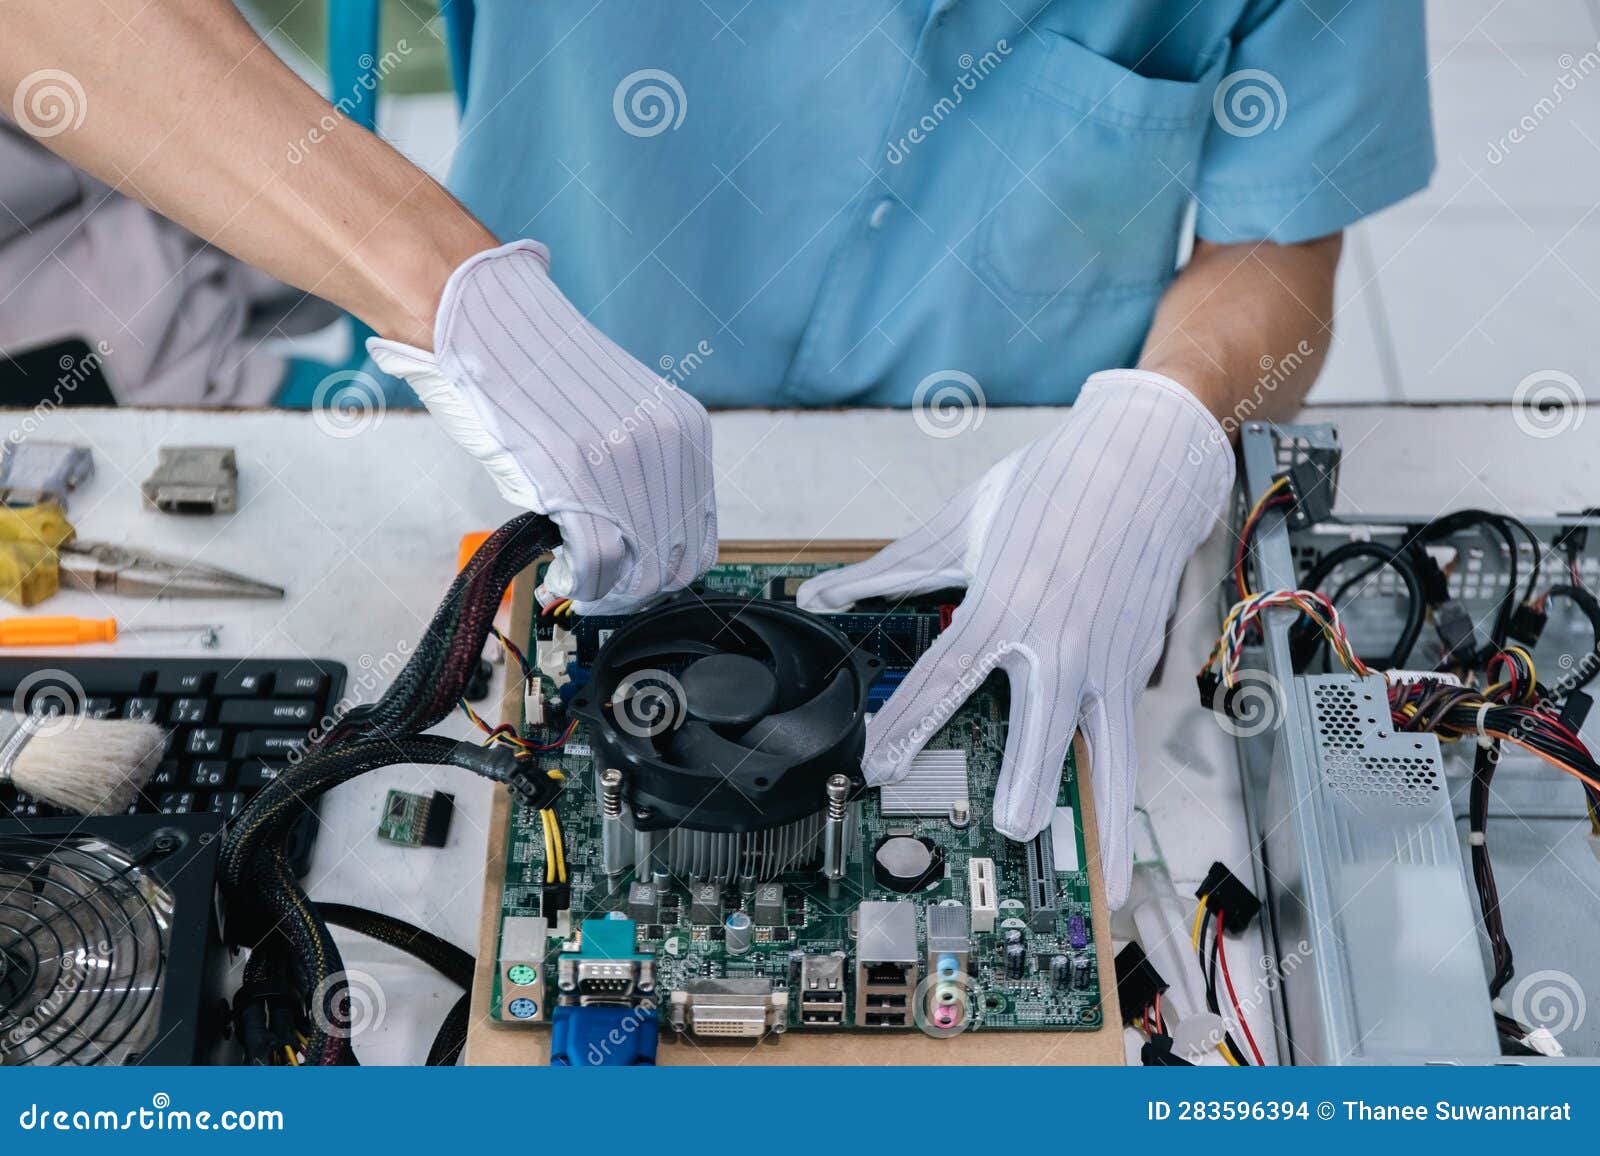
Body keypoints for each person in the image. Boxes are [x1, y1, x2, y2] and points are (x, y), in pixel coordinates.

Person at [1, 0, 1432, 904]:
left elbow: (1283, 245)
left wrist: (1167, 420)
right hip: (531, 433)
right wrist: (444, 285)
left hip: (1019, 503)